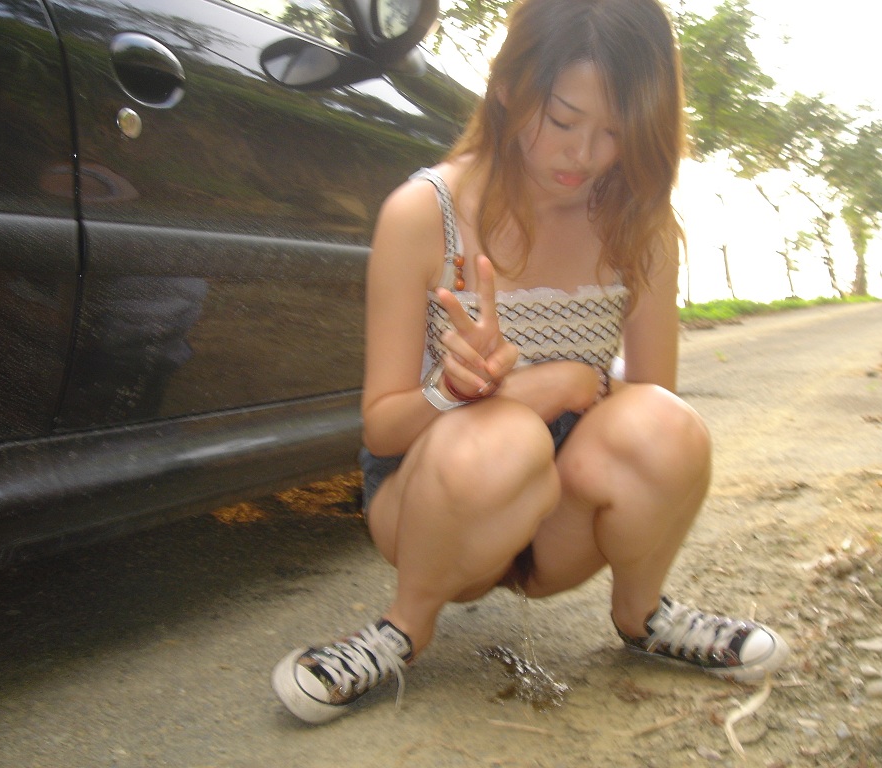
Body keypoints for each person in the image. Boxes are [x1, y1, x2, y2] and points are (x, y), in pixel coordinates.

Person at [271, 0, 789, 725]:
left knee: (671, 428)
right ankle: (403, 628)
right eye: (565, 118)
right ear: (509, 86)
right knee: (502, 435)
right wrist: (479, 389)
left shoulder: (640, 227)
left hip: (556, 528)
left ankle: (643, 615)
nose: (583, 155)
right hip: (434, 503)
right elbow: (383, 432)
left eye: (615, 132)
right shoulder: (425, 213)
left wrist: (572, 399)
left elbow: (648, 411)